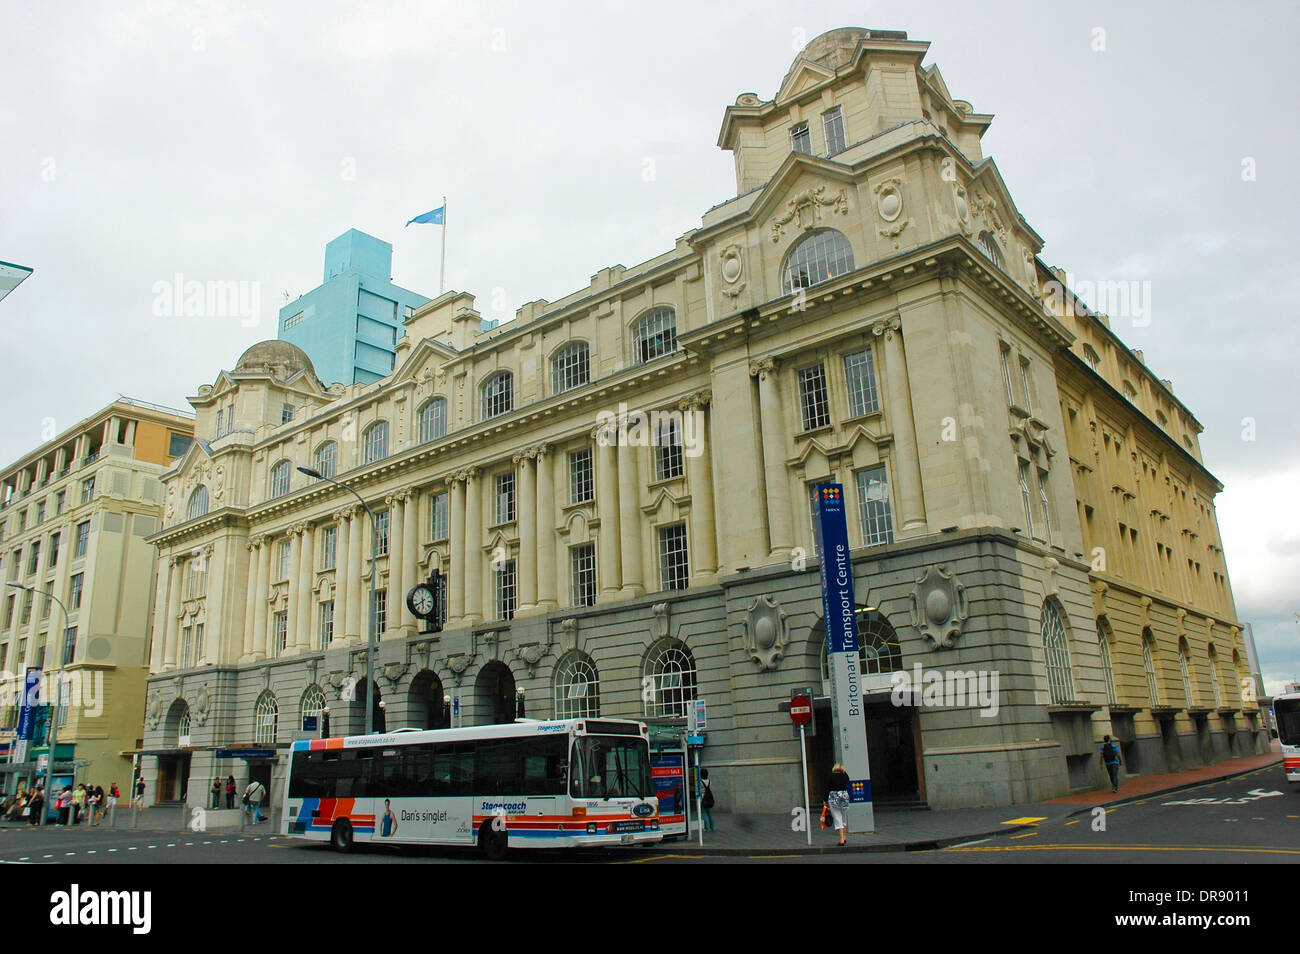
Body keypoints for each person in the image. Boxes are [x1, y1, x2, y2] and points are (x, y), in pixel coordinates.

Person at [824, 762, 850, 847]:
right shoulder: (845, 775)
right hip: (844, 796)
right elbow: (848, 781)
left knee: (837, 818)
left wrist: (825, 800)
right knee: (844, 817)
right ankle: (845, 837)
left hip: (834, 797)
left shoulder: (831, 776)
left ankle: (841, 839)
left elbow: (827, 788)